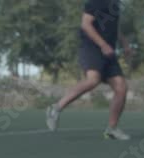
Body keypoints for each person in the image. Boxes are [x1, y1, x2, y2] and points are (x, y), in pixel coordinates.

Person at [46, 0, 132, 141]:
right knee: (93, 79)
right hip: (92, 48)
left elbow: (115, 27)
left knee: (121, 87)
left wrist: (125, 43)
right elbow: (85, 24)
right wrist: (103, 44)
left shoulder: (115, 4)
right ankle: (55, 108)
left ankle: (112, 129)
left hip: (108, 51)